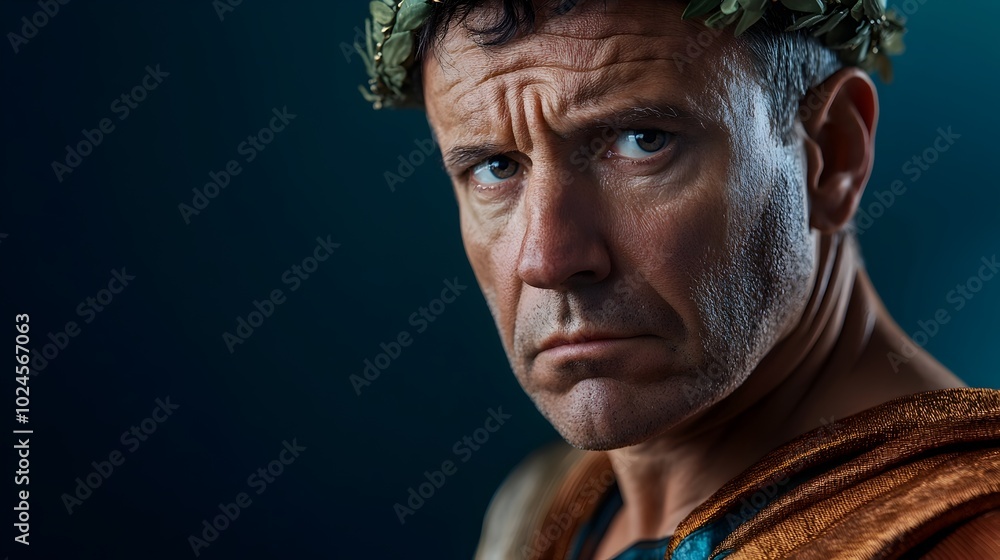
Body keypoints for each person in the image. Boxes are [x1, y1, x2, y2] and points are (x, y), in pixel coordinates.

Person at [355, 0, 1000, 558]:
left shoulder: (972, 534)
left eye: (641, 141)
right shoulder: (538, 511)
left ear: (833, 153)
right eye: (496, 168)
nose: (548, 260)